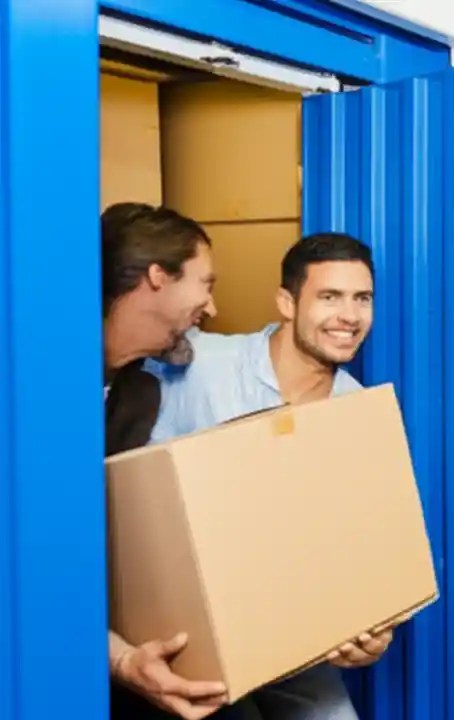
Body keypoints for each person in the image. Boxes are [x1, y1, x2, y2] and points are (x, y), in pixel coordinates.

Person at [144, 232, 392, 719]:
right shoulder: (200, 368)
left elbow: (364, 550)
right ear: (286, 301)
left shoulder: (361, 415)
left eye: (361, 299)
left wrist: (374, 630)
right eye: (329, 297)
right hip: (181, 633)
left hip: (289, 636)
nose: (349, 316)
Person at [100, 202, 229, 720]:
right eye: (205, 283)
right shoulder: (34, 383)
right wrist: (120, 660)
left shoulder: (142, 392)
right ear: (158, 277)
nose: (212, 307)